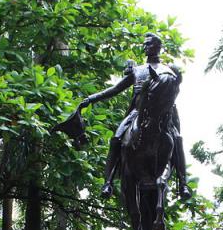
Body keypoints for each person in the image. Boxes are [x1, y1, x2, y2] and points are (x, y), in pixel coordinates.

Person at [76, 32, 191, 202]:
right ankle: (108, 182)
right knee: (116, 139)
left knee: (177, 139)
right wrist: (90, 99)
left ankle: (183, 183)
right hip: (137, 112)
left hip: (163, 116)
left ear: (157, 47)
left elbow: (173, 93)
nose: (145, 47)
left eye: (148, 44)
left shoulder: (169, 70)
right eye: (144, 44)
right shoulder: (137, 70)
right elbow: (115, 89)